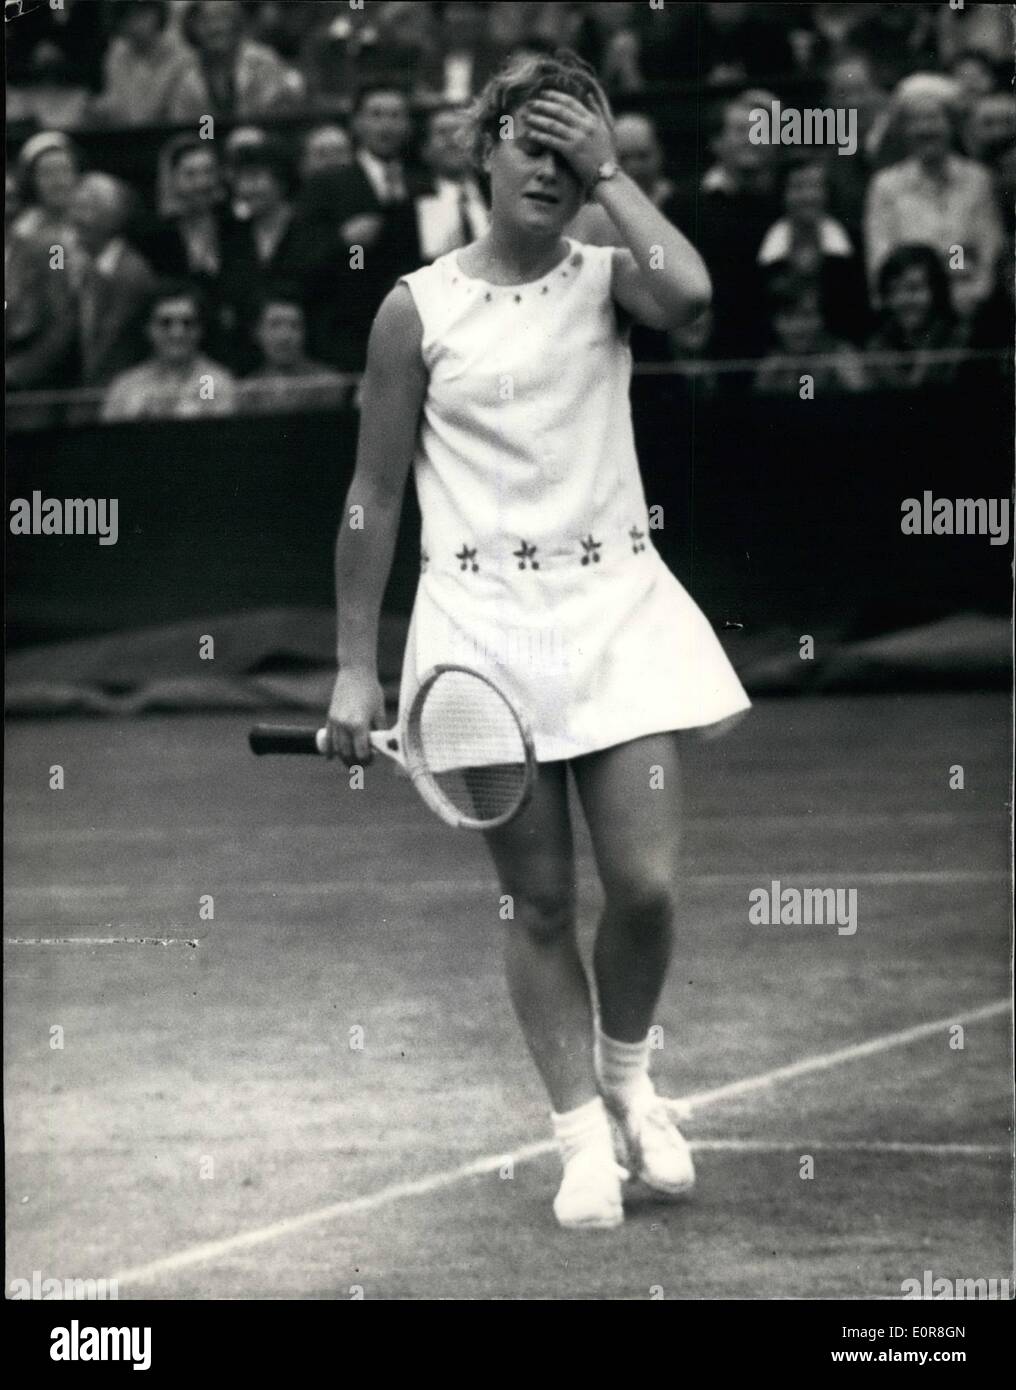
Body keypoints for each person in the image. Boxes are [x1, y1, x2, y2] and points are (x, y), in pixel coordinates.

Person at [325, 50, 749, 1230]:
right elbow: (371, 496)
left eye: (574, 153)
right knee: (540, 903)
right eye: (531, 144)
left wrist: (613, 171)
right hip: (478, 639)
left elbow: (695, 296)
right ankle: (577, 1139)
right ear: (482, 151)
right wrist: (358, 663)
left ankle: (627, 1082)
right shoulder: (413, 309)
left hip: (617, 615)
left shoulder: (614, 279)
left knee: (648, 889)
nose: (551, 171)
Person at [299, 84, 424, 371]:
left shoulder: (423, 182)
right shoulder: (328, 183)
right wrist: (343, 241)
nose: (386, 125)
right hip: (351, 332)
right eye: (376, 115)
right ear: (356, 123)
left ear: (407, 125)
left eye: (395, 116)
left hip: (418, 328)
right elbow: (302, 255)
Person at [864, 82, 1003, 321]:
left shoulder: (977, 180)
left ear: (951, 125)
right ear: (904, 131)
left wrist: (970, 290)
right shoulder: (886, 186)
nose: (926, 129)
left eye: (934, 118)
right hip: (909, 309)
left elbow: (987, 248)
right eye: (916, 121)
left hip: (969, 305)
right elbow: (881, 257)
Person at [102, 283, 237, 421]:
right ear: (148, 329)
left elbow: (216, 428)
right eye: (165, 323)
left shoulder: (209, 380)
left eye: (187, 323)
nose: (177, 333)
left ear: (200, 330)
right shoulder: (127, 386)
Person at [168, 0, 305, 122]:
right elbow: (190, 127)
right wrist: (207, 143)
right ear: (192, 28)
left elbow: (277, 115)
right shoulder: (185, 72)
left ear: (235, 23)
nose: (215, 28)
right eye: (205, 21)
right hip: (209, 144)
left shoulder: (262, 61)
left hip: (260, 142)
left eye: (222, 19)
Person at [864, 244, 966, 392]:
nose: (903, 300)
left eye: (914, 288)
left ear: (937, 290)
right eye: (894, 290)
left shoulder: (962, 341)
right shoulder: (879, 346)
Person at [86, 0, 192, 128]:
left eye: (142, 13)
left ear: (158, 14)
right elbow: (115, 103)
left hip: (168, 136)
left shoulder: (181, 57)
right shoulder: (116, 52)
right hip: (126, 137)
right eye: (127, 16)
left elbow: (180, 115)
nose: (135, 23)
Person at [239, 291, 348, 414]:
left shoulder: (328, 383)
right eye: (275, 325)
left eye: (294, 326)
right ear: (257, 332)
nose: (285, 336)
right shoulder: (248, 391)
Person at [414, 105, 490, 263]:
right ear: (425, 149)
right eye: (442, 132)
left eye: (461, 132)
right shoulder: (410, 201)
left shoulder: (499, 194)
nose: (453, 140)